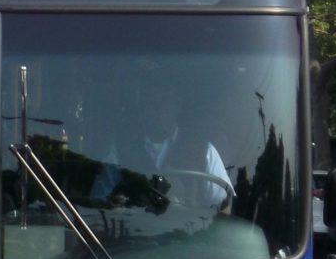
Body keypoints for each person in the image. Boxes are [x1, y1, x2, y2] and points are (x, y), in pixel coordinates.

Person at [90, 85, 232, 213]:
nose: (159, 109)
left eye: (165, 100)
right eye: (152, 102)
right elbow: (99, 204)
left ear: (177, 105)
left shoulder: (203, 151)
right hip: (135, 230)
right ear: (143, 107)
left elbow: (223, 207)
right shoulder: (121, 149)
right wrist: (115, 203)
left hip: (188, 230)